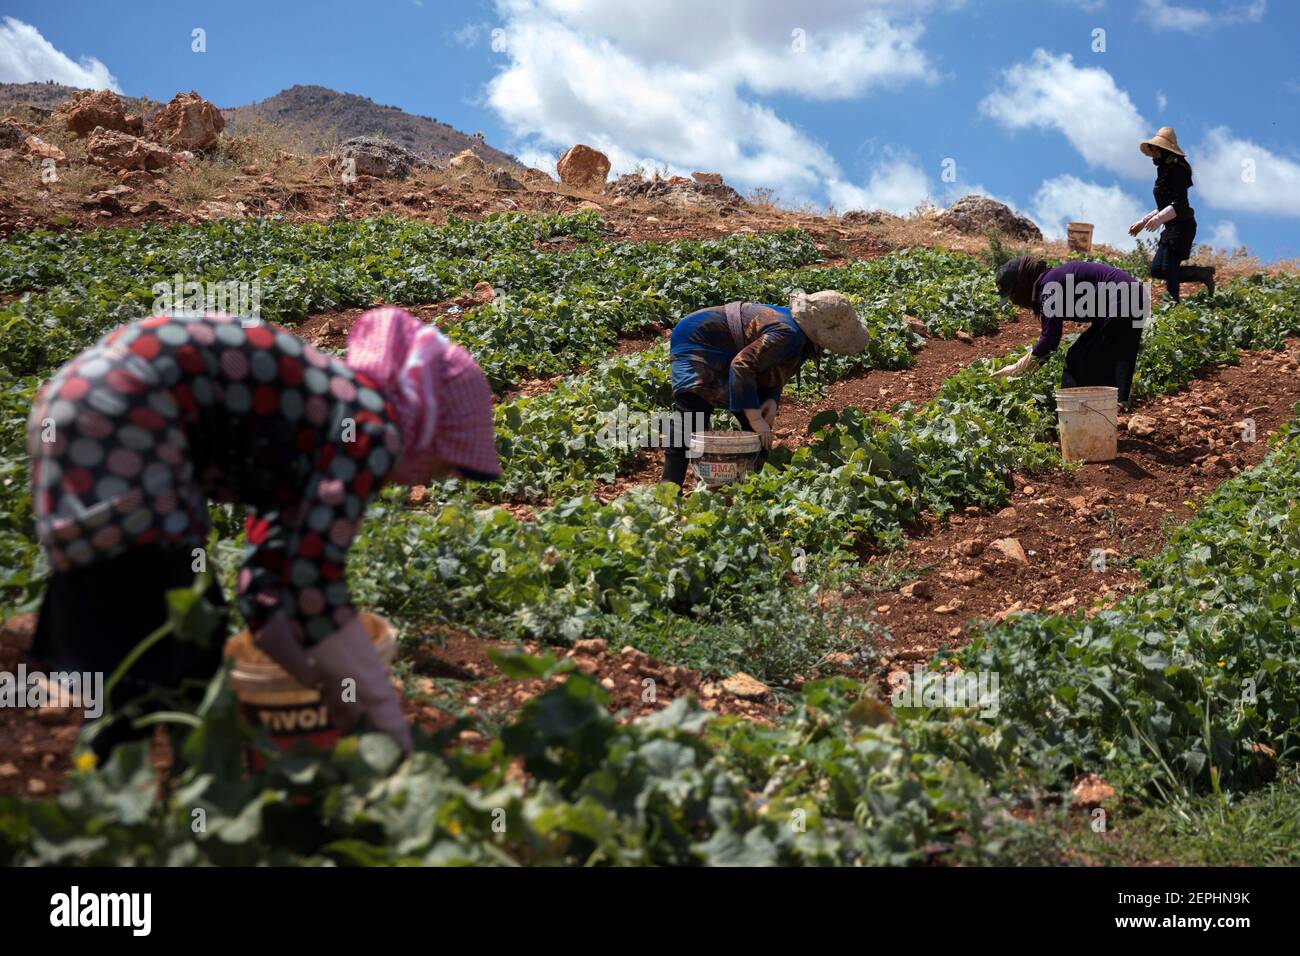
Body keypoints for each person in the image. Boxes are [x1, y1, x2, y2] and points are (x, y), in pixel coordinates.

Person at [27, 306, 499, 759]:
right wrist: (382, 720)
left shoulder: (328, 415)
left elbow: (265, 586)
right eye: (437, 466)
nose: (422, 482)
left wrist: (318, 683)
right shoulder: (369, 428)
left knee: (187, 625)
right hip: (123, 414)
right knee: (150, 608)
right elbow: (315, 585)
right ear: (427, 423)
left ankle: (181, 788)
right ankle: (123, 800)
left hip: (83, 401)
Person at [660, 291, 869, 486]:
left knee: (754, 424)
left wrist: (770, 398)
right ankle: (669, 488)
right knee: (693, 412)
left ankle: (749, 483)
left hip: (721, 344)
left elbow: (768, 365)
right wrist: (756, 420)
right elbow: (742, 365)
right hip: (696, 340)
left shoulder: (796, 331)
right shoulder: (789, 333)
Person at [992, 255, 1147, 407]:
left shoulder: (1048, 288)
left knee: (1082, 360)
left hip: (1124, 299)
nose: (1014, 301)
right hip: (1131, 297)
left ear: (1021, 284)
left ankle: (1082, 409)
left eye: (1012, 294)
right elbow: (1050, 342)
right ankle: (1105, 405)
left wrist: (1018, 368)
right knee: (1091, 355)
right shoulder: (1048, 282)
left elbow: (1050, 339)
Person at [1128, 126, 1215, 302]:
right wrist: (1143, 222)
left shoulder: (1177, 168)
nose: (1152, 154)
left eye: (1154, 149)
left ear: (1162, 149)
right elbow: (1163, 205)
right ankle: (1202, 274)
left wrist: (1159, 219)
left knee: (1169, 267)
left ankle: (1173, 303)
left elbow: (1180, 204)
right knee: (1157, 270)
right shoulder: (1163, 170)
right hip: (1171, 227)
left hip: (1182, 226)